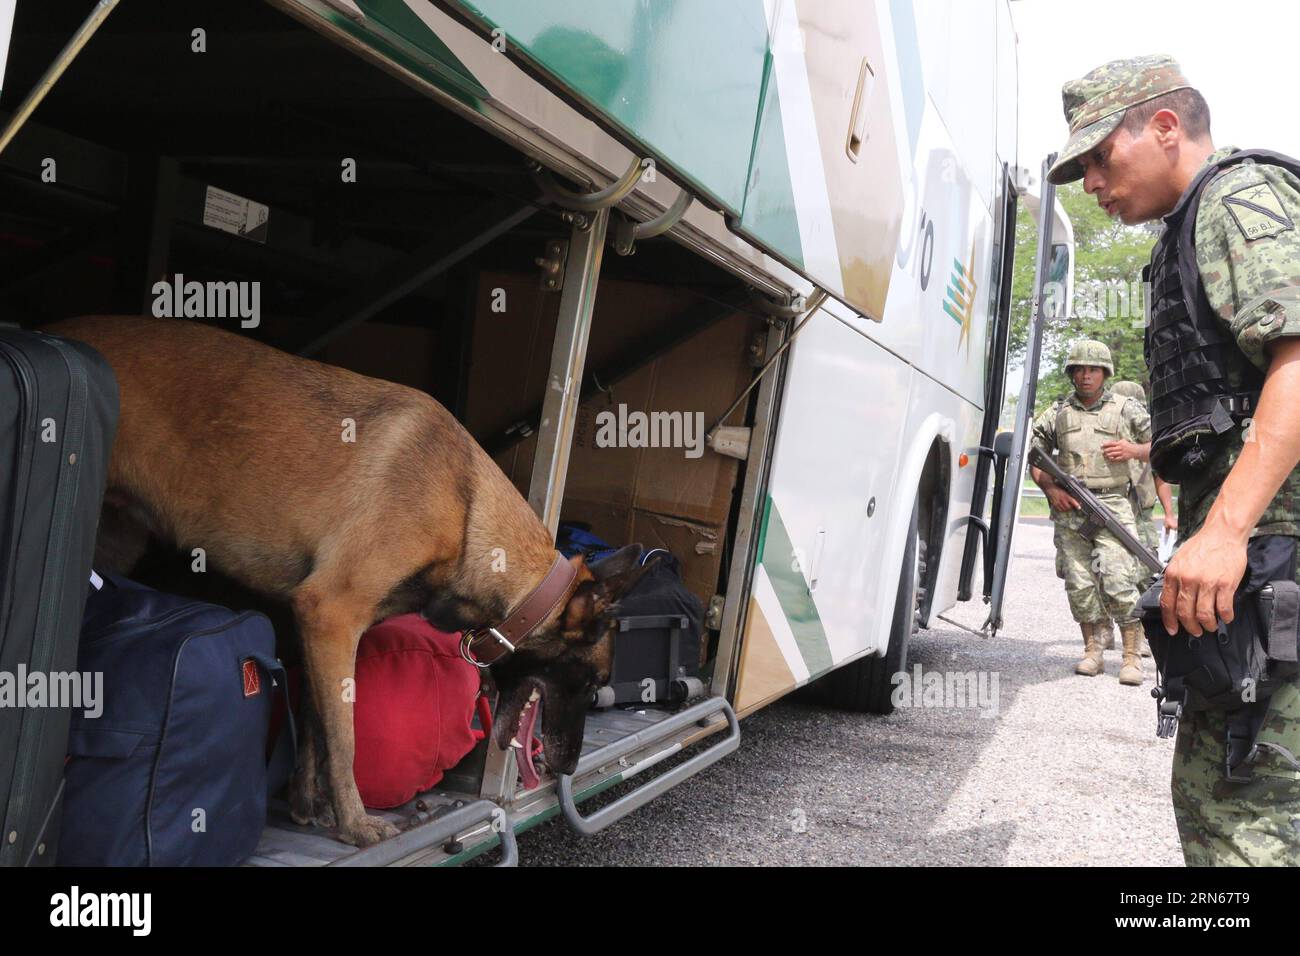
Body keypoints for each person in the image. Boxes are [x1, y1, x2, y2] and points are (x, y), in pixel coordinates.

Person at [1048, 54, 1300, 865]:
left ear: (1163, 128)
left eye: (1098, 157)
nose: (1091, 182)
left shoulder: (1237, 198)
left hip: (1273, 571)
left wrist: (1224, 533)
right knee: (1226, 805)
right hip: (1254, 581)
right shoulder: (1187, 232)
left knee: (1247, 825)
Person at [1029, 340, 1151, 686]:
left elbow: (1164, 445)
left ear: (1105, 373)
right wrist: (1052, 490)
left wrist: (1133, 449)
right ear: (1071, 373)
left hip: (1112, 503)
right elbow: (1035, 457)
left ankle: (1130, 657)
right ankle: (1092, 651)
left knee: (1118, 579)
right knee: (1080, 583)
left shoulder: (1127, 409)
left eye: (1093, 369)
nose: (1086, 376)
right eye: (1079, 369)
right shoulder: (1057, 413)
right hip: (1071, 507)